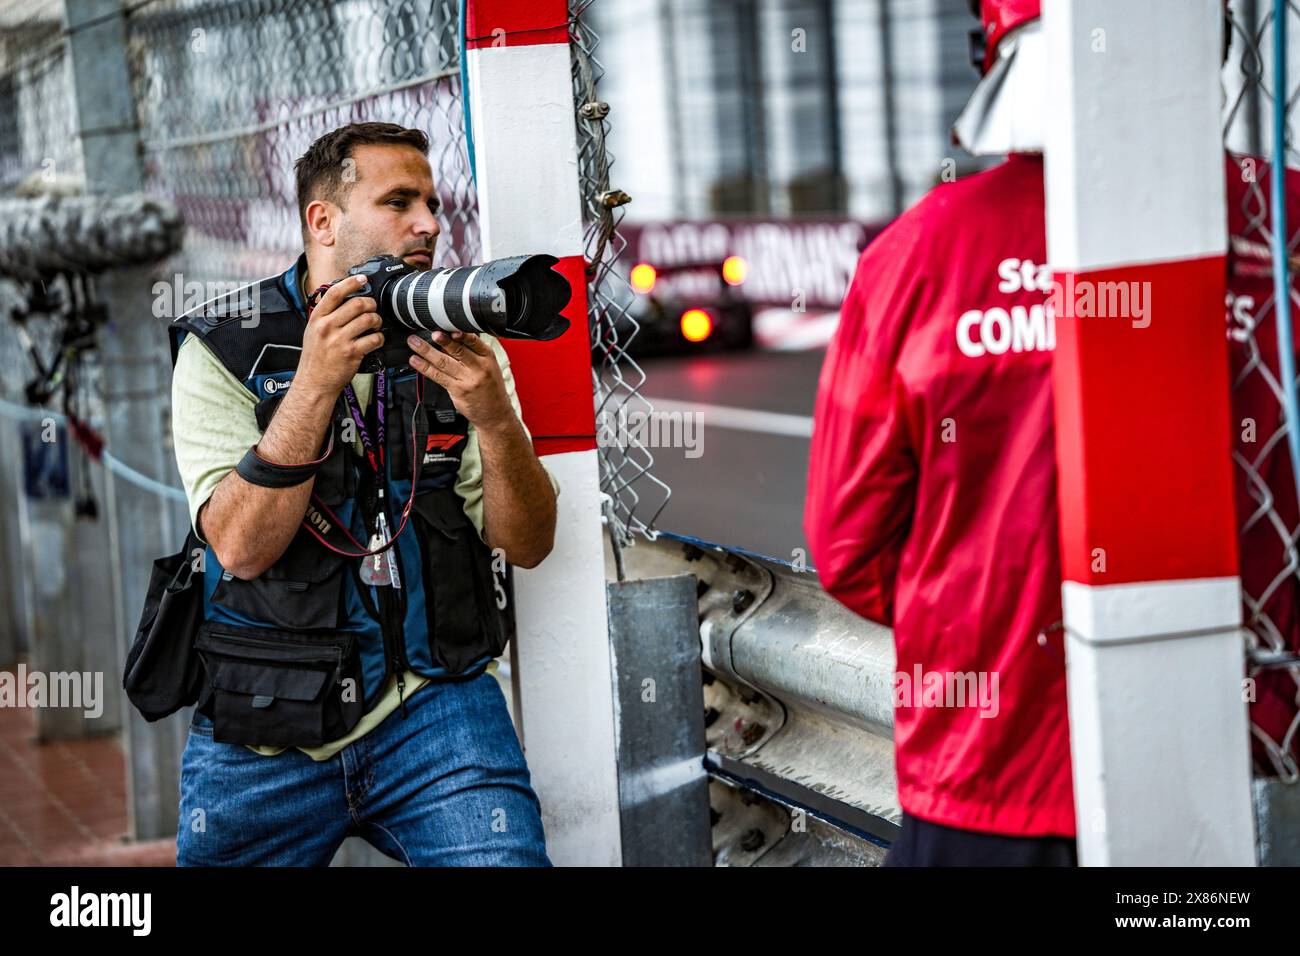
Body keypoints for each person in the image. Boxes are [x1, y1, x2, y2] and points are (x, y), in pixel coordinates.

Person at [805, 0, 1300, 865]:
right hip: (1248, 752)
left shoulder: (916, 258)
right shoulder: (1278, 221)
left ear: (992, 52)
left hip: (991, 775)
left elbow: (847, 546)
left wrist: (981, 600)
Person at [169, 121, 560, 866]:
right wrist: (314, 384)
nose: (429, 224)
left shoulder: (461, 339)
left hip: (435, 703)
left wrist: (496, 420)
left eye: (435, 205)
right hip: (268, 723)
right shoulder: (222, 344)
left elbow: (528, 544)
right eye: (399, 202)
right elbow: (241, 549)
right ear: (323, 221)